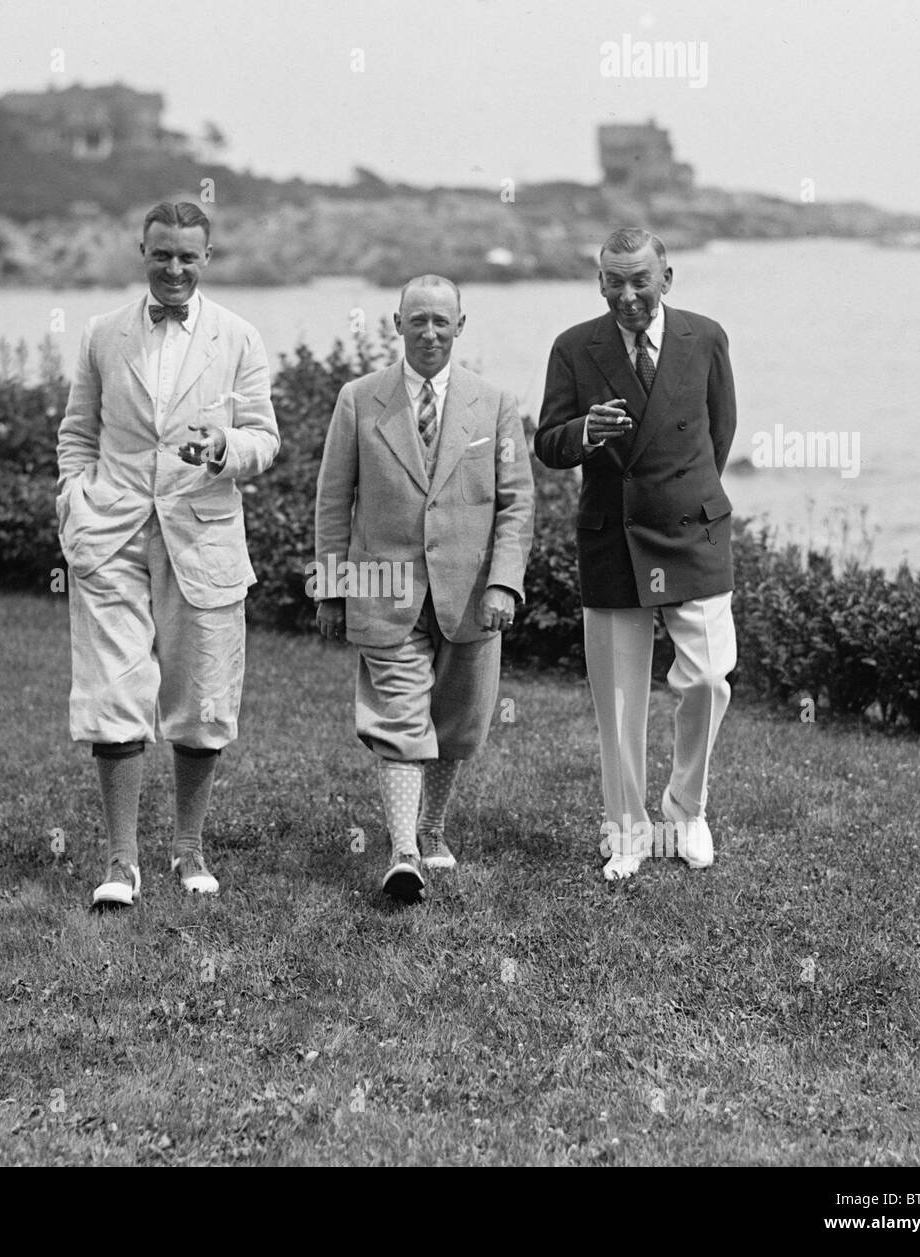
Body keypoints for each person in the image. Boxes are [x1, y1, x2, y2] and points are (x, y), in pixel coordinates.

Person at [56, 200, 279, 907]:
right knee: (114, 692)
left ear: (207, 258)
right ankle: (122, 861)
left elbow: (265, 438)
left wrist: (224, 448)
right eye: (162, 254)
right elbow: (77, 432)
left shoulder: (238, 338)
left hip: (202, 531)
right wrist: (75, 501)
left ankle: (189, 849)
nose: (174, 268)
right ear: (141, 251)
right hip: (112, 532)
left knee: (202, 696)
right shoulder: (103, 333)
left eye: (187, 256)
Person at [314, 275, 534, 902]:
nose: (430, 332)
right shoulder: (359, 400)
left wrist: (504, 585)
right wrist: (333, 589)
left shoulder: (493, 405)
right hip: (384, 588)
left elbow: (517, 505)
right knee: (399, 718)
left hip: (470, 596)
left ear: (460, 326)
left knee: (459, 721)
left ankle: (433, 826)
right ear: (396, 323)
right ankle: (404, 850)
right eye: (418, 320)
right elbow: (334, 500)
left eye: (442, 321)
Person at [534, 228, 737, 880]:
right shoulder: (573, 347)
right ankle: (626, 830)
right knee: (619, 701)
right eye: (614, 281)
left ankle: (686, 807)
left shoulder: (705, 338)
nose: (628, 295)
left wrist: (685, 491)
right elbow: (549, 441)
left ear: (667, 278)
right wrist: (587, 432)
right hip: (612, 536)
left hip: (692, 531)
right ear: (600, 283)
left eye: (639, 280)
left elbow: (719, 428)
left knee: (709, 678)